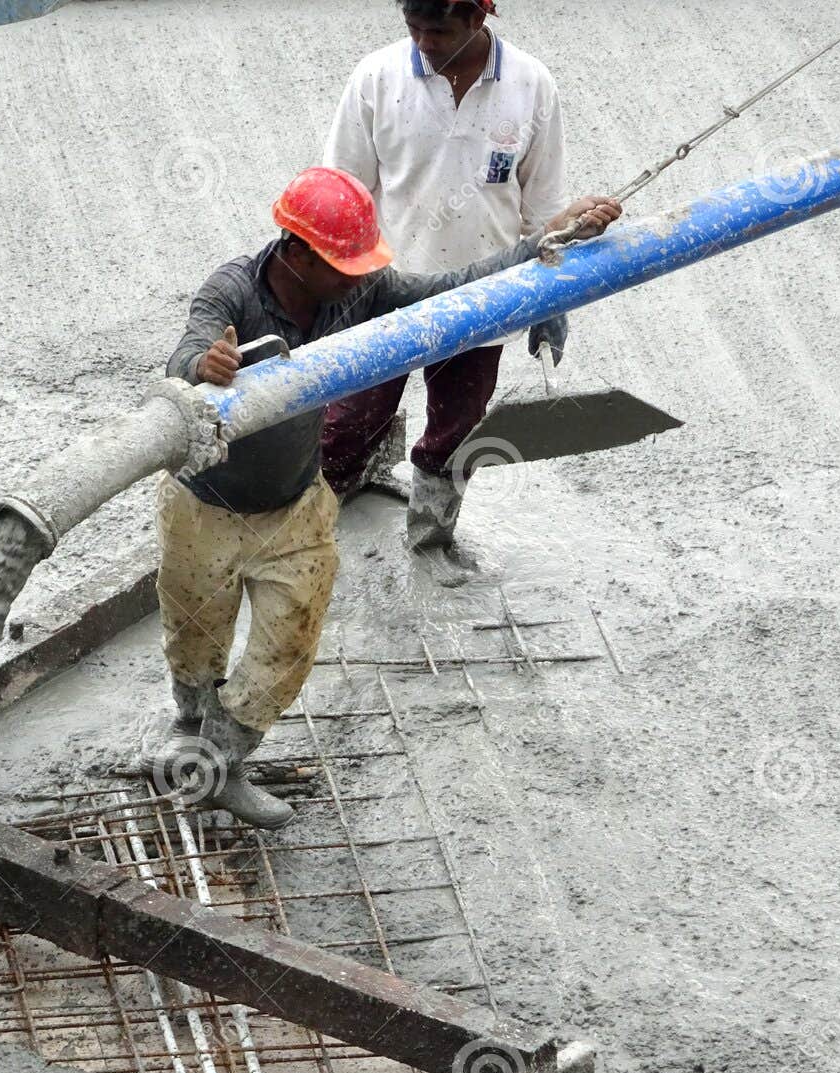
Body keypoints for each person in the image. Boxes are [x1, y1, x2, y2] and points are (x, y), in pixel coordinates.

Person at [147, 166, 619, 829]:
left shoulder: (360, 290)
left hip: (294, 509)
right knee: (195, 639)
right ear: (298, 252)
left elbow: (451, 292)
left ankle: (222, 762)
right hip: (204, 508)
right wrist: (204, 366)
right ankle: (187, 727)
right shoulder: (233, 290)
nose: (356, 278)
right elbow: (189, 352)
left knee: (287, 649)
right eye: (343, 266)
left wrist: (545, 243)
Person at [322, 0, 571, 552]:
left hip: (486, 297)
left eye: (437, 31)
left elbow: (543, 205)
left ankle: (431, 537)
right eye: (413, 28)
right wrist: (331, 289)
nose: (423, 43)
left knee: (457, 432)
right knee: (347, 424)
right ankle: (312, 521)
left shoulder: (531, 86)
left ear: (478, 19)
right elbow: (342, 189)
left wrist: (551, 297)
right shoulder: (377, 78)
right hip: (385, 292)